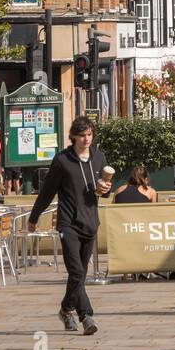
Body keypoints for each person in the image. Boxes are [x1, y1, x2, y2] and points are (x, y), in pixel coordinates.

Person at [29, 116, 112, 335]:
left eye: (89, 135)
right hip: (68, 223)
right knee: (76, 272)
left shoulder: (99, 158)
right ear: (73, 136)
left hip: (90, 222)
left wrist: (106, 189)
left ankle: (66, 309)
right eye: (82, 135)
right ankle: (86, 316)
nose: (86, 139)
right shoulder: (62, 160)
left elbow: (106, 188)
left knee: (80, 274)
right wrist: (34, 217)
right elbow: (47, 192)